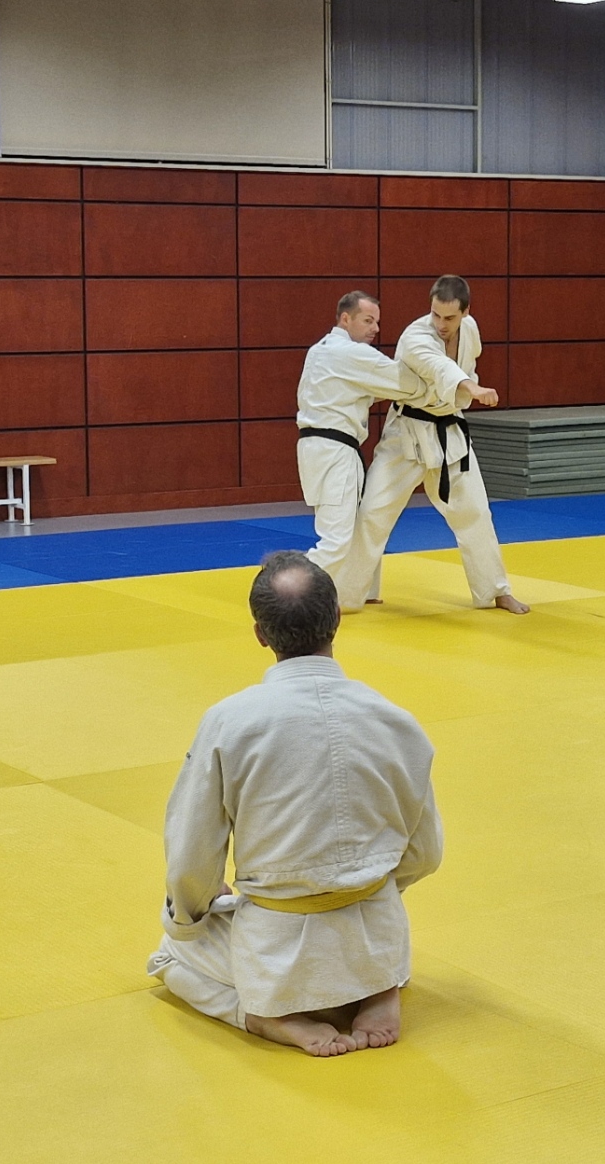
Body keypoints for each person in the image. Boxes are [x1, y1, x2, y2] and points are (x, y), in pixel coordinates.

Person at [147, 551, 443, 1057]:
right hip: (376, 935)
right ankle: (378, 990)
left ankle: (265, 1015)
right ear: (336, 622)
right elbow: (425, 853)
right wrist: (362, 885)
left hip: (278, 944)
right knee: (365, 909)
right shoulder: (396, 720)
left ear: (261, 633)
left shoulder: (230, 721)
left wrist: (190, 914)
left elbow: (192, 848)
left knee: (170, 956)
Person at [336, 275, 528, 615]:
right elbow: (440, 368)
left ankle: (495, 591)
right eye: (436, 315)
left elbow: (468, 361)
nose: (441, 324)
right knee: (373, 513)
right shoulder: (415, 336)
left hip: (449, 433)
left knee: (476, 514)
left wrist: (470, 387)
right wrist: (473, 388)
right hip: (406, 434)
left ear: (465, 313)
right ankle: (350, 595)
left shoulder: (471, 330)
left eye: (449, 317)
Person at [296, 291, 409, 601]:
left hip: (317, 447)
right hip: (335, 450)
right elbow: (404, 381)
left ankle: (356, 590)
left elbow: (361, 391)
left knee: (357, 525)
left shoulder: (320, 350)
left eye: (377, 322)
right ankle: (283, 591)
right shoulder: (351, 353)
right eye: (367, 320)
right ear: (345, 319)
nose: (375, 329)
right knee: (336, 539)